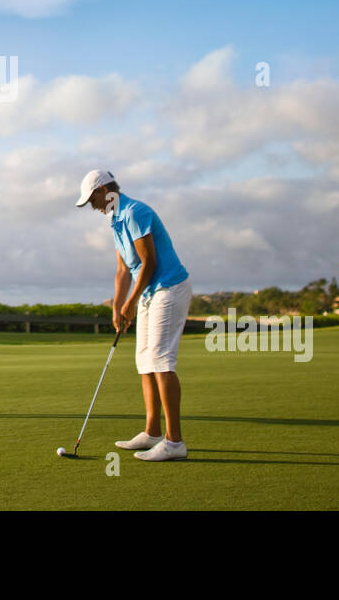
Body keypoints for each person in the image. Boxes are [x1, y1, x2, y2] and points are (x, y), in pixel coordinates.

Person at [76, 169, 192, 461]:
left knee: (160, 359)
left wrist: (131, 302)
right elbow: (123, 270)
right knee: (144, 360)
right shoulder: (115, 220)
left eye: (93, 200)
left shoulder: (134, 212)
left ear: (105, 190)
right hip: (149, 291)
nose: (93, 206)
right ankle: (152, 432)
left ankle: (174, 441)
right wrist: (118, 307)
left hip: (168, 287)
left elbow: (150, 263)